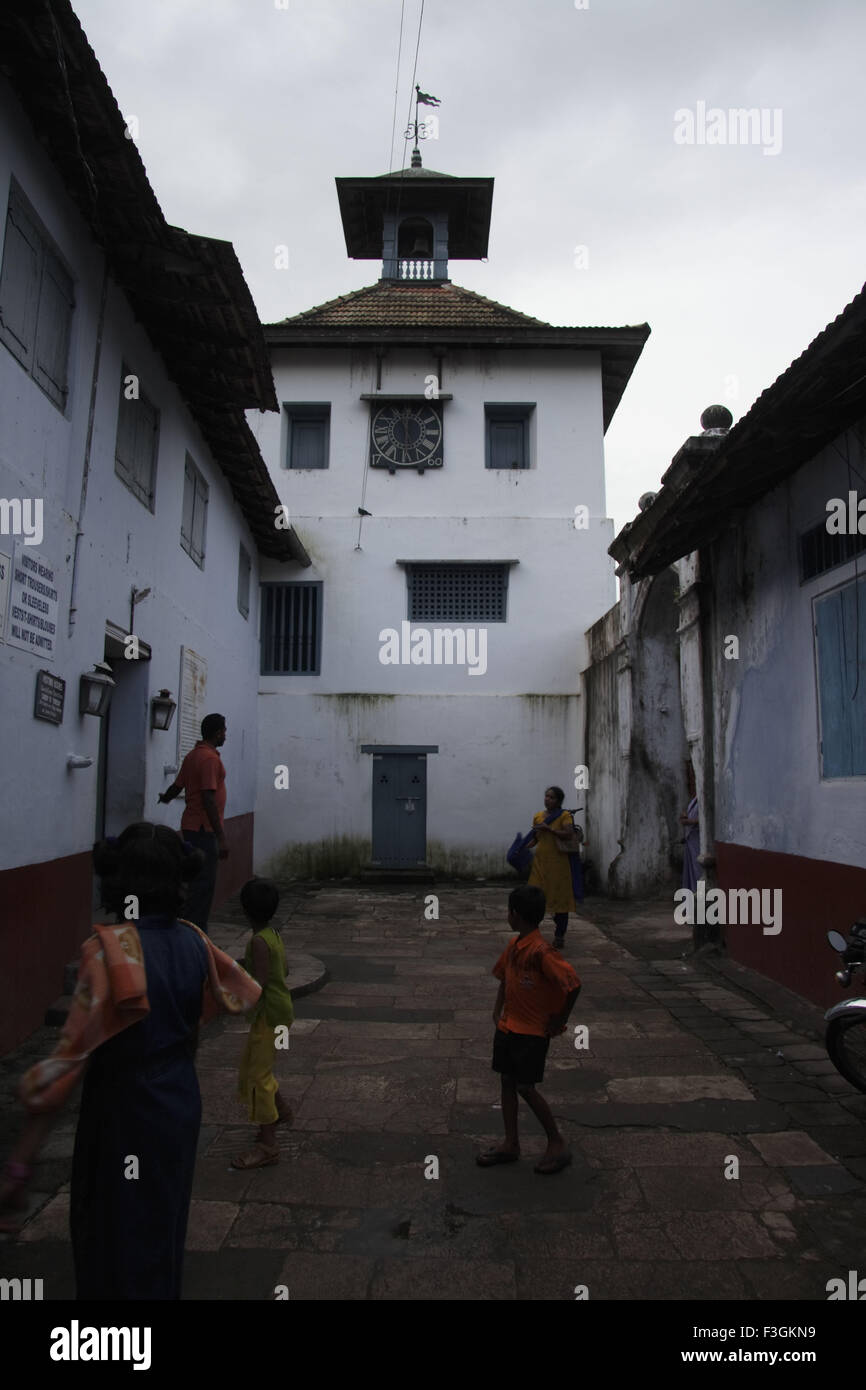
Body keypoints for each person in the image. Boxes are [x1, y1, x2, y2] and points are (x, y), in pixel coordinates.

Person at [0, 823, 261, 1296]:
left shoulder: (105, 956)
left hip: (123, 1108)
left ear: (117, 882)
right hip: (179, 1101)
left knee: (112, 1233)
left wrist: (19, 1166)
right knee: (161, 1226)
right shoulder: (194, 942)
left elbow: (65, 1068)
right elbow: (235, 994)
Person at [477, 885, 581, 1174]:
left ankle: (556, 1140)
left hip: (532, 1033)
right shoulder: (514, 946)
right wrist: (497, 1011)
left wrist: (560, 1020)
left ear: (516, 915)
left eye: (508, 910)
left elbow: (572, 984)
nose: (507, 915)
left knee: (525, 1087)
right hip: (509, 1027)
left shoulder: (541, 952)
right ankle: (511, 1142)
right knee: (507, 1081)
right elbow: (503, 977)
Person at [231, 878, 295, 1170]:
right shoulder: (273, 935)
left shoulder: (258, 941)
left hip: (269, 1014)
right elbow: (283, 969)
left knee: (257, 1075)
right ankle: (279, 1110)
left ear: (245, 911)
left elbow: (260, 982)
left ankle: (268, 1144)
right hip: (279, 1011)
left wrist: (232, 994)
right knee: (257, 1065)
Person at [159, 712, 228, 934]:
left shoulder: (192, 756)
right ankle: (196, 932)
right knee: (203, 885)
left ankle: (187, 928)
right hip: (203, 829)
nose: (226, 735)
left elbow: (177, 786)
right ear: (218, 733)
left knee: (194, 881)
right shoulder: (209, 759)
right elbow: (208, 797)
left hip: (191, 826)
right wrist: (221, 837)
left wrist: (165, 797)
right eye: (224, 731)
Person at [527, 785, 583, 948]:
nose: (547, 799)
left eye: (551, 797)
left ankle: (559, 935)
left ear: (558, 801)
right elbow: (537, 836)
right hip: (541, 862)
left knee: (560, 901)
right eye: (546, 796)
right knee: (533, 897)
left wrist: (550, 829)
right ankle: (531, 933)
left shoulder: (564, 816)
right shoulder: (538, 816)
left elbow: (569, 834)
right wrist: (529, 844)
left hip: (559, 865)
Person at [680, 764, 701, 893]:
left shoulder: (703, 797)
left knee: (698, 869)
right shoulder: (695, 799)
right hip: (691, 839)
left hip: (697, 840)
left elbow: (703, 820)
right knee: (691, 869)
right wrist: (685, 815)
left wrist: (688, 821)